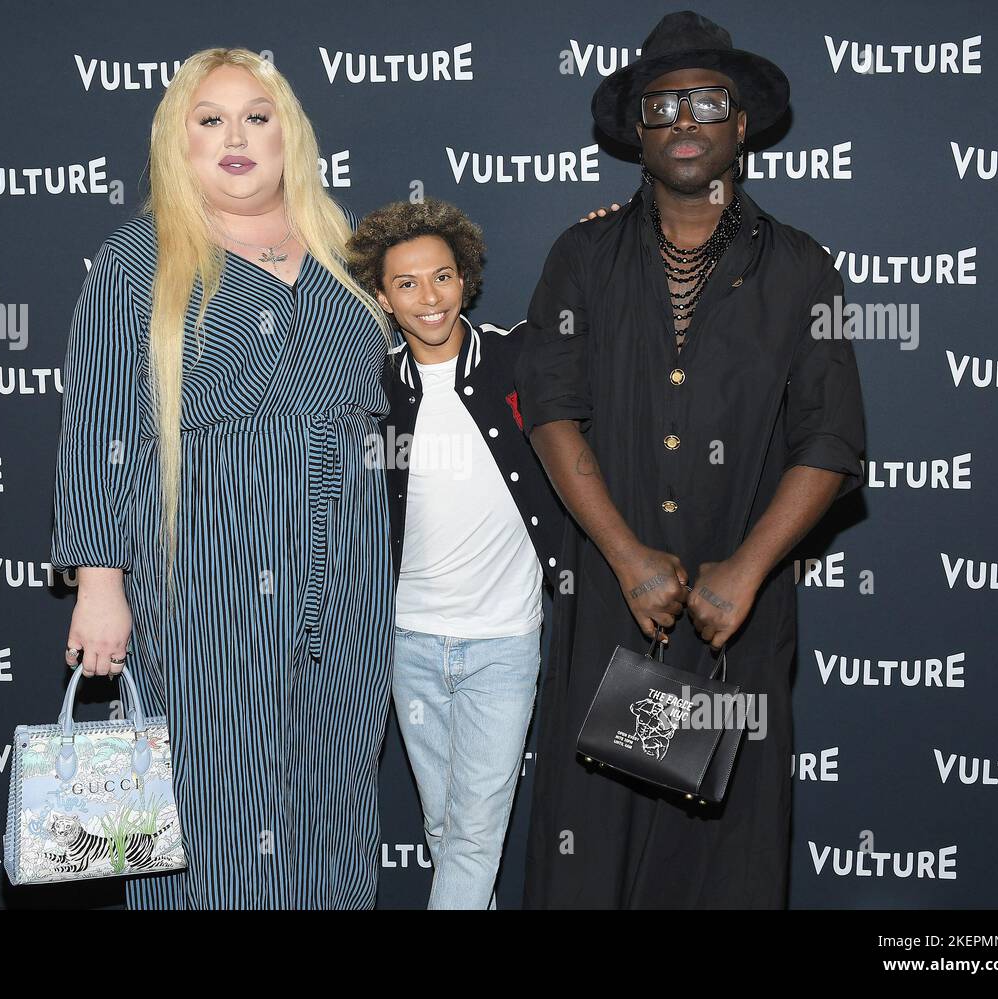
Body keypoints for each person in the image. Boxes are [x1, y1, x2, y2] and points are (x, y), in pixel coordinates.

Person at [515, 10, 866, 908]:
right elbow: (552, 410)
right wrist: (628, 557)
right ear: (637, 127)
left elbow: (830, 438)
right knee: (592, 850)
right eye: (662, 103)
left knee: (722, 860)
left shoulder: (802, 269)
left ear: (740, 123)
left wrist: (745, 571)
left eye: (707, 101)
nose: (684, 118)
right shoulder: (582, 255)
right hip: (610, 605)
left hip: (730, 627)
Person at [49, 47, 396, 909]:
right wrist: (100, 584)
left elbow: (443, 351)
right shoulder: (141, 259)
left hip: (343, 578)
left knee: (333, 786)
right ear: (180, 142)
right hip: (204, 571)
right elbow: (98, 427)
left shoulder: (349, 259)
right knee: (207, 791)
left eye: (257, 116)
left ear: (291, 137)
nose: (234, 136)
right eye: (210, 119)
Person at [345, 200, 568, 908]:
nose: (429, 296)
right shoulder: (369, 388)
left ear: (465, 279)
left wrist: (618, 237)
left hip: (503, 642)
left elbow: (619, 321)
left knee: (473, 836)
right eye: (406, 283)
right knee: (449, 829)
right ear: (381, 296)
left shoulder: (520, 356)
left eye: (442, 276)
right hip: (406, 643)